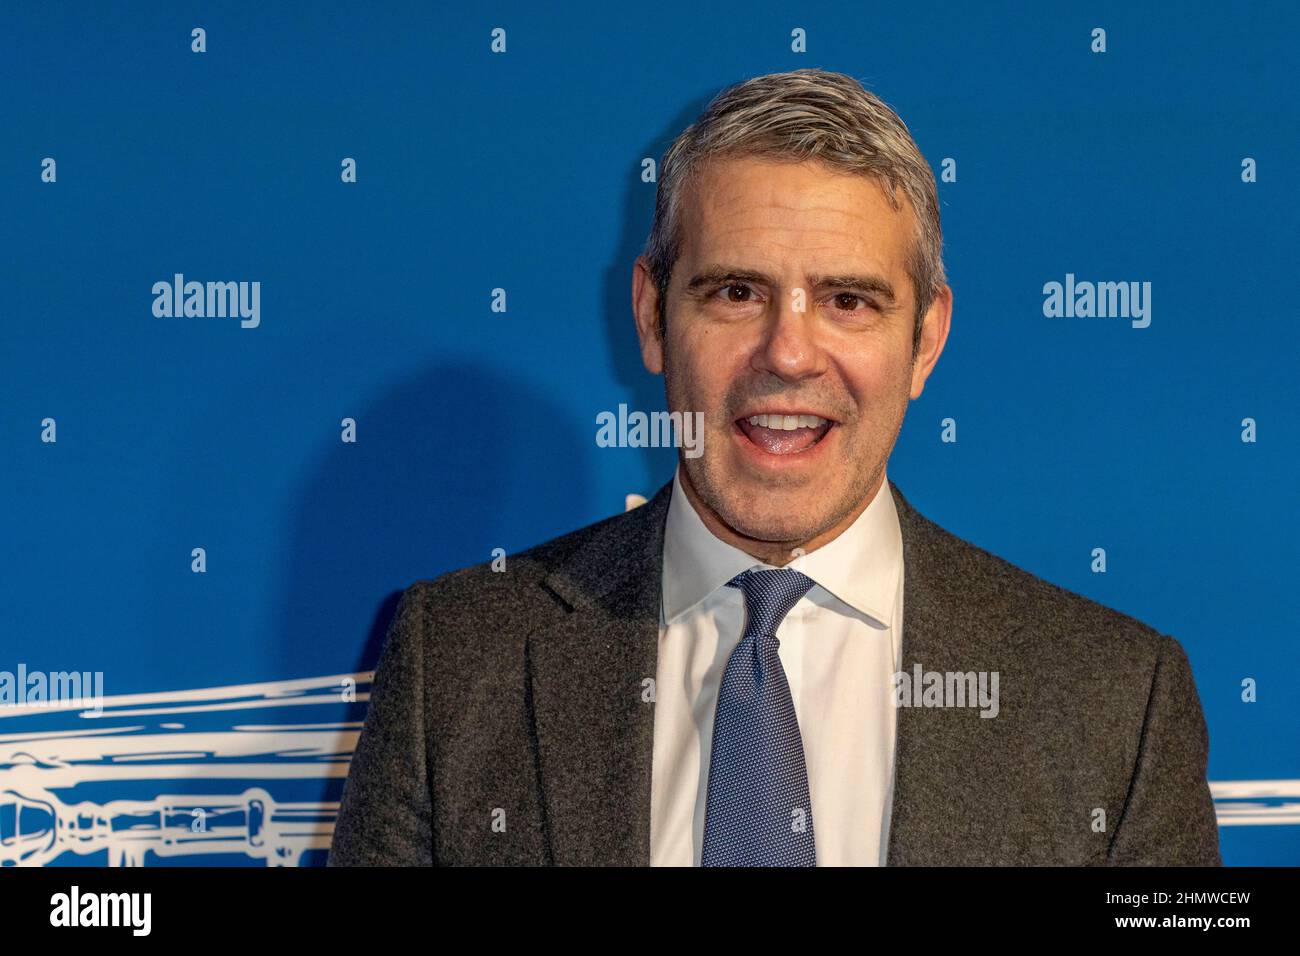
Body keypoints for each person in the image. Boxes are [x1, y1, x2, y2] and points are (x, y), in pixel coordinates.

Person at [328, 68, 1221, 866]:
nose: (788, 354)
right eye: (735, 292)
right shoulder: (455, 660)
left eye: (848, 299)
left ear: (927, 339)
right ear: (650, 315)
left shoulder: (1115, 701)